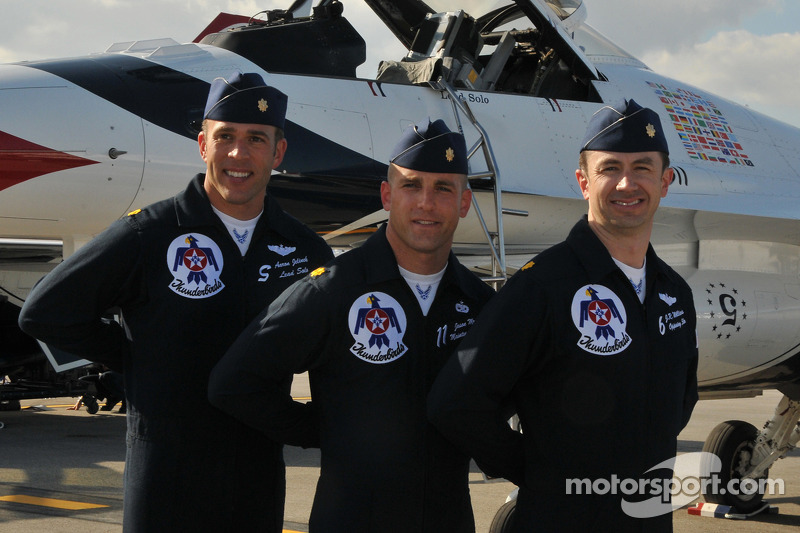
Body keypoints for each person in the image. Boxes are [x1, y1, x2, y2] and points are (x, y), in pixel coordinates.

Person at [18, 72, 333, 532]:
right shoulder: (149, 233)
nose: (238, 154)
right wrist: (135, 355)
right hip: (166, 477)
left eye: (256, 139)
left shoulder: (304, 250)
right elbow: (46, 312)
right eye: (224, 136)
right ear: (203, 145)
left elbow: (329, 348)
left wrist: (311, 425)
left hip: (256, 479)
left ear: (278, 152)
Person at [209, 118, 495, 532]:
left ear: (465, 203)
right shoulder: (334, 290)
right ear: (387, 195)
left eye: (443, 189)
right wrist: (326, 429)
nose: (426, 204)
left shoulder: (478, 302)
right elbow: (234, 383)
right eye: (411, 185)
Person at [428, 99, 699, 532]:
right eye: (609, 168)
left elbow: (679, 400)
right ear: (583, 182)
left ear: (665, 181)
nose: (627, 183)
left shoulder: (674, 293)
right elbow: (456, 402)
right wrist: (537, 471)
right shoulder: (543, 286)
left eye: (643, 168)